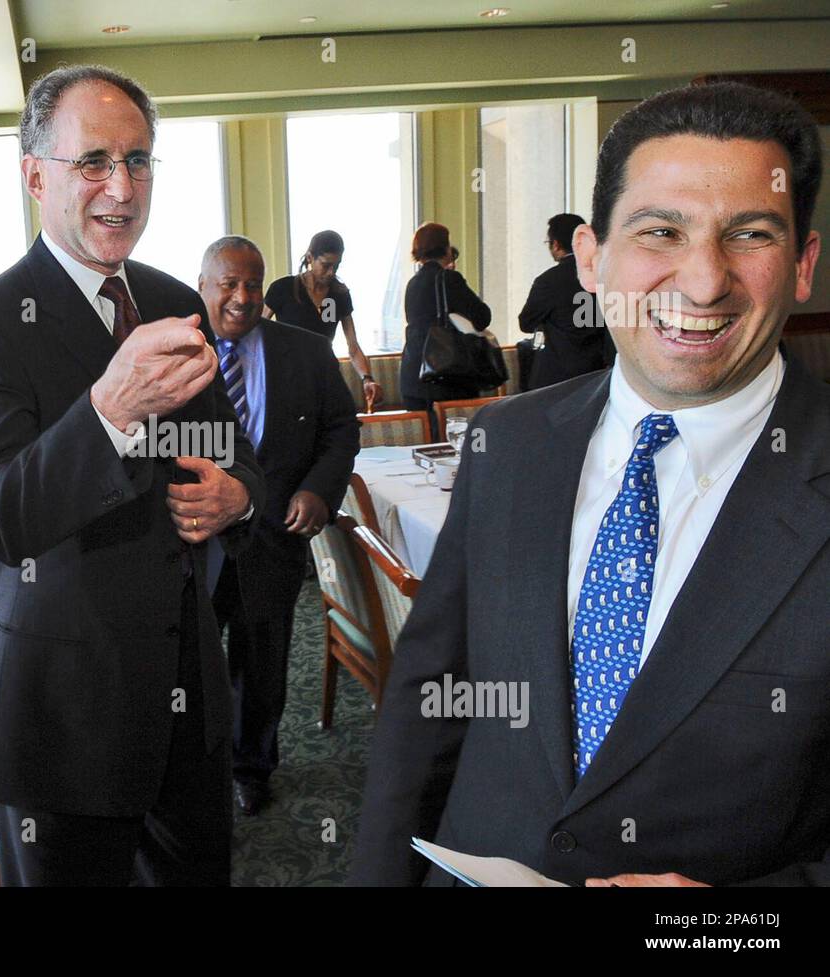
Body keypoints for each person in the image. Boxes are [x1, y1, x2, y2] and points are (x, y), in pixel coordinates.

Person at [354, 81, 826, 887]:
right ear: (591, 258)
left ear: (804, 264)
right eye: (660, 231)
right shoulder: (508, 441)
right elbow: (429, 706)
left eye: (749, 233)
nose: (704, 280)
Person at [0, 65, 264, 886]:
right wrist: (109, 410)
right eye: (93, 162)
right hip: (64, 719)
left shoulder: (169, 299)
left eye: (140, 159)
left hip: (189, 695)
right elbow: (0, 516)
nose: (122, 185)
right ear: (34, 173)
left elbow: (230, 448)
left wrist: (240, 494)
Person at [197, 236, 360, 816]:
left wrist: (319, 488)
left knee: (262, 663)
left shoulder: (307, 352)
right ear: (203, 286)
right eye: (228, 284)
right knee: (184, 663)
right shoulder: (173, 354)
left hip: (271, 539)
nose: (242, 297)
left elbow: (342, 430)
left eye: (253, 284)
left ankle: (251, 768)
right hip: (189, 545)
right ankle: (189, 769)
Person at [264, 230, 384, 407]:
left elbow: (353, 347)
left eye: (336, 266)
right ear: (310, 257)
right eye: (326, 265)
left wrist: (367, 379)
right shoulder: (282, 289)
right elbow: (258, 330)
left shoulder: (339, 294)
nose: (330, 272)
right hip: (288, 377)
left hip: (324, 375)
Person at [399, 222, 492, 437]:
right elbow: (482, 317)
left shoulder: (413, 283)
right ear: (445, 248)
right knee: (453, 446)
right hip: (445, 376)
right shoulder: (449, 280)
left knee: (425, 444)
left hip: (414, 376)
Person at [519, 213, 615, 389]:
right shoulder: (606, 277)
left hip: (555, 377)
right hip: (600, 373)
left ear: (556, 244)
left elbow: (526, 323)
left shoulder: (548, 281)